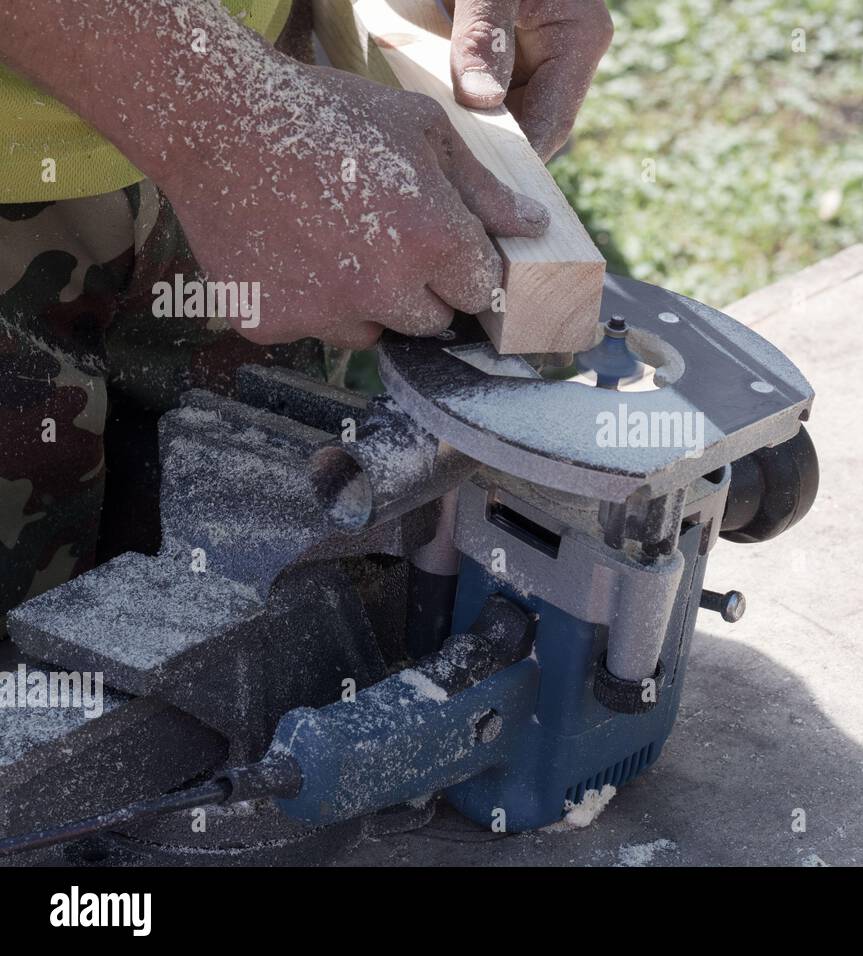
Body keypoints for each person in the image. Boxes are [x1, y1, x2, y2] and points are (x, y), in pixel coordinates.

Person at [0, 0, 613, 620]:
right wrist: (227, 114)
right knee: (27, 672)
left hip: (263, 84)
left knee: (260, 601)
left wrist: (239, 112)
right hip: (94, 149)